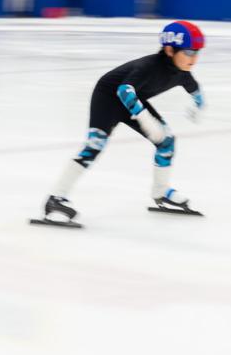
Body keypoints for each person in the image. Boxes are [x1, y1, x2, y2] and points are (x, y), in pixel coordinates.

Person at [31, 21, 207, 228]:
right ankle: (56, 199)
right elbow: (124, 90)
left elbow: (194, 89)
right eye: (188, 52)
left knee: (166, 141)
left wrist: (199, 104)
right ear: (169, 50)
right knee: (93, 147)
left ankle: (161, 191)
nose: (193, 58)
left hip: (134, 101)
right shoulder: (149, 66)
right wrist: (145, 119)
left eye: (197, 52)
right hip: (107, 98)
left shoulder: (182, 72)